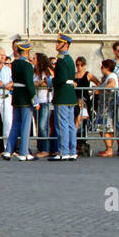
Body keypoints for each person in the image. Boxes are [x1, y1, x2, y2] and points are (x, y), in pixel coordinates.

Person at [3, 40, 36, 161]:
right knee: (25, 126)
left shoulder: (15, 63)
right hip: (25, 98)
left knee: (15, 125)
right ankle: (23, 152)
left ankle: (8, 150)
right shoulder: (27, 65)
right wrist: (34, 99)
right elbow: (29, 84)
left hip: (16, 96)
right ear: (26, 52)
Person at [50, 33, 78, 161]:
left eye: (59, 42)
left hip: (62, 95)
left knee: (62, 125)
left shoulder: (61, 59)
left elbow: (60, 79)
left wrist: (51, 82)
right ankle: (72, 150)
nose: (56, 44)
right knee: (70, 125)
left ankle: (63, 151)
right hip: (70, 95)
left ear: (65, 44)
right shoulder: (70, 59)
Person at [93, 60, 119, 157]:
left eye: (102, 67)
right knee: (106, 127)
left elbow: (111, 84)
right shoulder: (109, 77)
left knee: (104, 127)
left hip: (107, 106)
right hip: (106, 105)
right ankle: (108, 148)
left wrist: (99, 90)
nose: (101, 69)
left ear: (106, 68)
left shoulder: (111, 77)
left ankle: (109, 149)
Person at [32, 52, 53, 159]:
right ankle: (40, 148)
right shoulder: (34, 72)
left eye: (34, 58)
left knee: (43, 125)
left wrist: (39, 83)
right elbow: (32, 83)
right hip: (37, 101)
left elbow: (48, 83)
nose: (32, 60)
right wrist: (39, 83)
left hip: (46, 100)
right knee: (38, 126)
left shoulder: (47, 71)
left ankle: (46, 149)